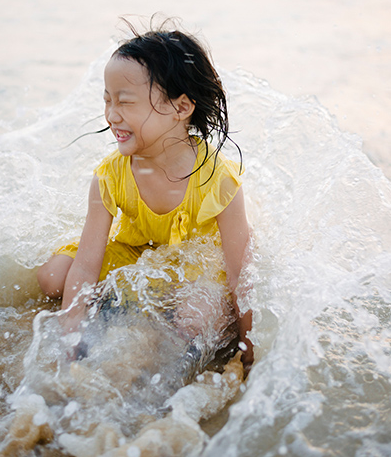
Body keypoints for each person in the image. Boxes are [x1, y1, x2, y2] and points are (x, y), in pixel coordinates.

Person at [36, 23, 253, 367]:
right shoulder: (110, 175)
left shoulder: (219, 179)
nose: (112, 115)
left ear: (181, 108)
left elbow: (240, 273)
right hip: (136, 252)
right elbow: (87, 263)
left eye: (125, 102)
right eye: (107, 101)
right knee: (52, 278)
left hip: (196, 264)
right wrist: (71, 337)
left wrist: (248, 348)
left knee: (193, 319)